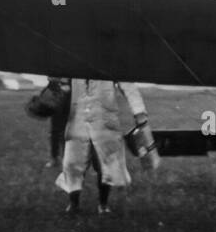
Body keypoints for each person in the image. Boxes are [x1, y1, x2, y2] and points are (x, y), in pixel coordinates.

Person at [57, 79, 157, 215]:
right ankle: (74, 204)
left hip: (104, 119)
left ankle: (103, 204)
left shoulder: (111, 61)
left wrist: (139, 113)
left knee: (106, 163)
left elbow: (128, 86)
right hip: (78, 119)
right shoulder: (75, 63)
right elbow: (62, 81)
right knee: (72, 162)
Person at [47, 77, 71, 167]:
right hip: (57, 97)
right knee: (55, 132)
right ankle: (54, 158)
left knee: (66, 132)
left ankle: (66, 159)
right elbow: (50, 79)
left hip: (69, 99)